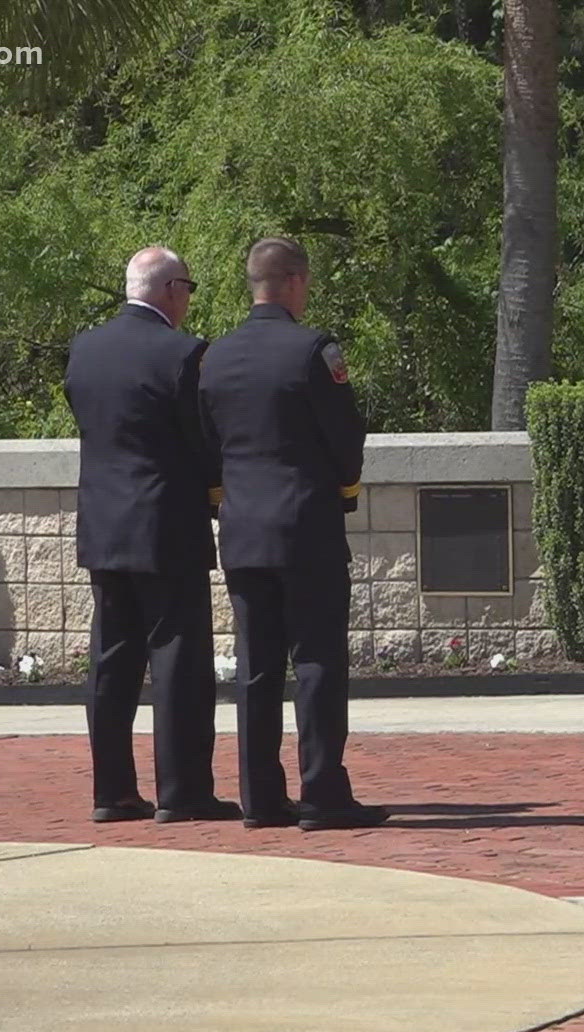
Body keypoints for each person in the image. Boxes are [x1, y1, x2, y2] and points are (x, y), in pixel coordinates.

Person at [198, 237, 386, 829]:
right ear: (297, 281)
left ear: (252, 283)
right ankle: (323, 795)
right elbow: (345, 438)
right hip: (307, 527)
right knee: (317, 662)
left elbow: (206, 446)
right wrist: (346, 492)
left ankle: (259, 799)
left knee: (256, 669)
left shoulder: (214, 357)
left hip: (243, 530)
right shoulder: (314, 350)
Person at [63, 246, 238, 824]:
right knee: (178, 663)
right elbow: (204, 437)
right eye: (187, 287)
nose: (189, 299)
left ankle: (110, 792)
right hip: (167, 525)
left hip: (105, 527)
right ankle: (183, 791)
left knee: (112, 664)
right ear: (168, 290)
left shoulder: (85, 349)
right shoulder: (186, 354)